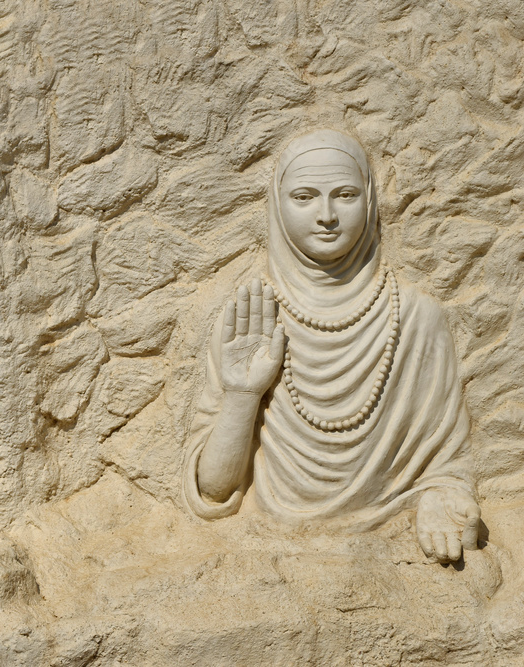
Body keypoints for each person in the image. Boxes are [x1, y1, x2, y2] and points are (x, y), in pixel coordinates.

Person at [182, 129, 480, 564]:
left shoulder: (417, 317)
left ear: (371, 199)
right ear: (277, 206)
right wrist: (242, 394)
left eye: (345, 194)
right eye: (303, 197)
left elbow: (448, 461)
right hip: (270, 556)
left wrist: (442, 495)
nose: (326, 215)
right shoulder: (252, 316)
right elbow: (213, 491)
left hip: (384, 554)